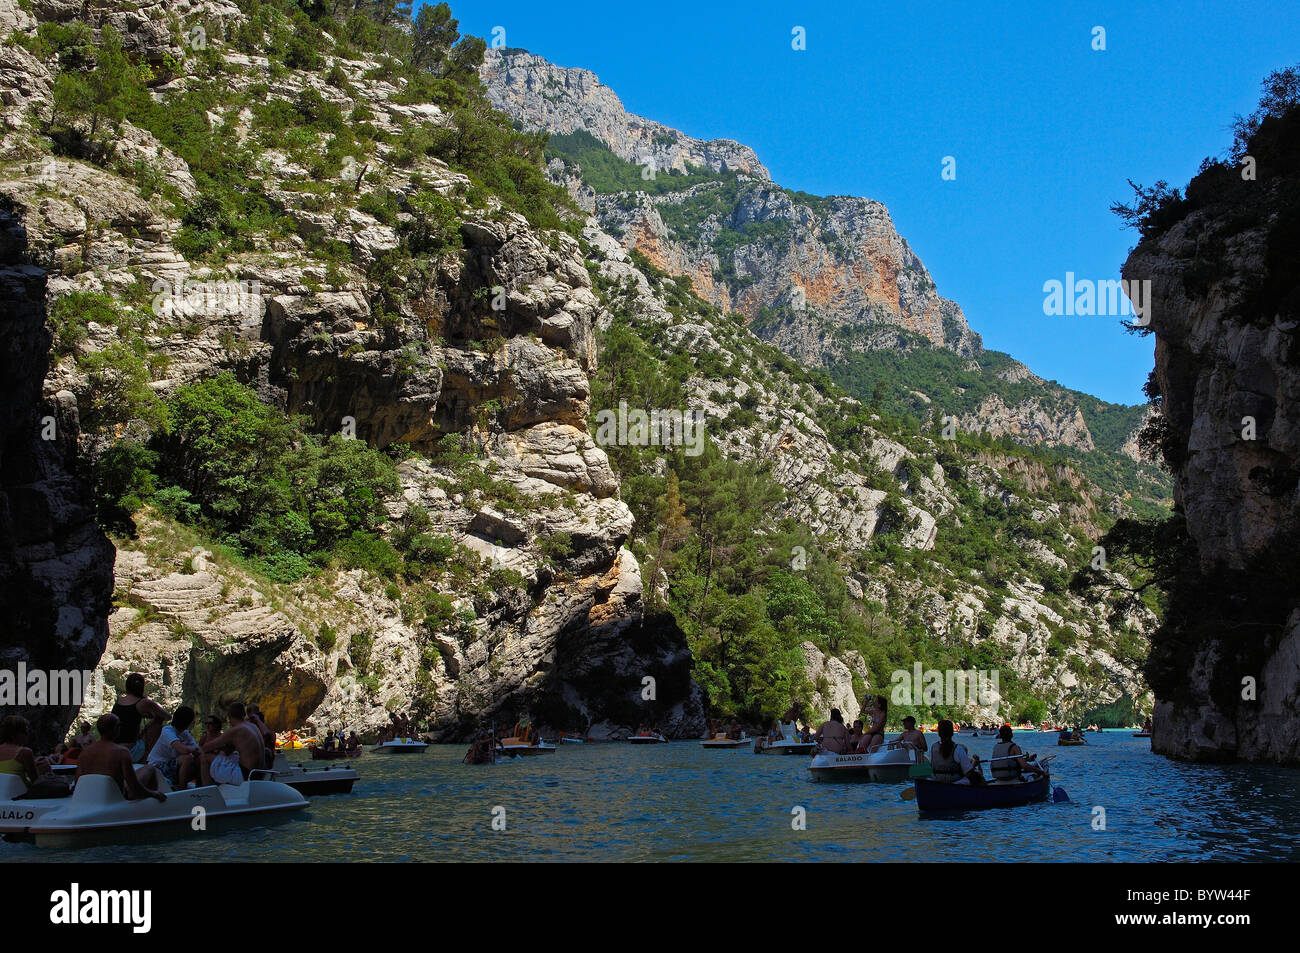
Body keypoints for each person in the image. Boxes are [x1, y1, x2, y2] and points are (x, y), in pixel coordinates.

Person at [75, 713, 166, 802]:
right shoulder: (121, 752)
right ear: (115, 729)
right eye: (119, 725)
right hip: (115, 798)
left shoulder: (84, 753)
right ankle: (151, 807)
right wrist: (153, 793)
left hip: (92, 797)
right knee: (150, 769)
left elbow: (77, 782)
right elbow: (134, 787)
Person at [200, 702, 265, 785]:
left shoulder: (236, 730)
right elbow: (230, 748)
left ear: (229, 716)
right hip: (260, 774)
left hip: (245, 776)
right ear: (244, 714)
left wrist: (208, 733)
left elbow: (205, 748)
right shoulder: (252, 726)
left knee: (205, 757)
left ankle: (207, 793)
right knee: (226, 757)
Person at [110, 673, 169, 764]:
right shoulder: (143, 702)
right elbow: (167, 716)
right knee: (158, 720)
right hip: (131, 751)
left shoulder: (119, 701)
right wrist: (151, 714)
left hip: (114, 748)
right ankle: (144, 758)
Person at [147, 705, 202, 788]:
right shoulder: (167, 731)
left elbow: (199, 751)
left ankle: (201, 787)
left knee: (200, 758)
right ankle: (182, 788)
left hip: (172, 766)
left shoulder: (185, 733)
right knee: (187, 758)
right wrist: (194, 748)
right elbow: (182, 749)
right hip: (158, 766)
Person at [0, 715, 49, 789]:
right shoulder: (24, 752)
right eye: (25, 731)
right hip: (19, 794)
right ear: (14, 734)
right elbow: (36, 781)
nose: (27, 734)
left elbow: (9, 769)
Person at [929, 720, 979, 785]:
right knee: (977, 777)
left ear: (939, 733)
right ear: (952, 733)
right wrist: (974, 764)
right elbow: (968, 772)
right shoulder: (958, 749)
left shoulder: (933, 747)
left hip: (938, 781)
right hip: (955, 783)